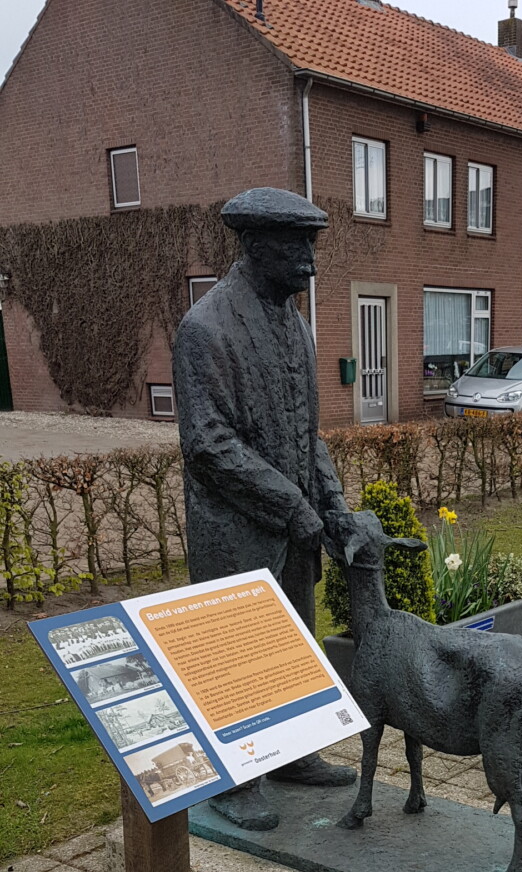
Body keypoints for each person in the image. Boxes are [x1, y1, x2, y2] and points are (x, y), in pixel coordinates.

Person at [173, 188, 357, 831]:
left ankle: (294, 754)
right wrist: (292, 506)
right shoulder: (206, 329)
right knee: (234, 658)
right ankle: (234, 780)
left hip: (293, 529)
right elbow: (208, 445)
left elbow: (307, 434)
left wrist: (333, 505)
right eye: (296, 246)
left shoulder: (297, 326)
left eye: (312, 244)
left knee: (293, 643)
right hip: (236, 533)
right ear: (254, 246)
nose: (310, 261)